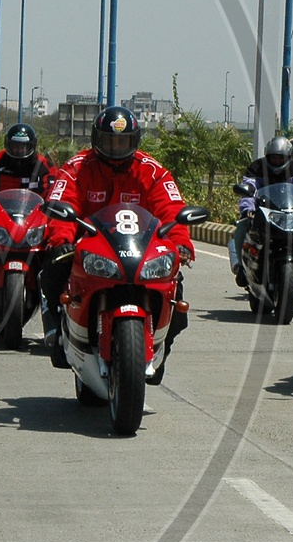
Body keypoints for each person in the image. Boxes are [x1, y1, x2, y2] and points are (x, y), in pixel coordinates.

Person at [39, 106, 196, 375]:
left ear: (134, 141)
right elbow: (60, 202)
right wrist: (61, 239)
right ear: (96, 140)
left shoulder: (153, 171)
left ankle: (162, 350)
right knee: (52, 268)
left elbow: (172, 209)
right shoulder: (76, 168)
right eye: (110, 141)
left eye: (122, 141)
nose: (116, 147)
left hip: (139, 251)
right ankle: (56, 329)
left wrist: (180, 243)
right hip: (91, 250)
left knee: (176, 291)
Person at [228, 136, 293, 288]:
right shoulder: (256, 167)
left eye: (280, 158)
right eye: (274, 158)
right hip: (263, 212)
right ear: (267, 156)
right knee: (241, 229)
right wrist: (248, 210)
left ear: (289, 157)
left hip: (292, 213)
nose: (277, 161)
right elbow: (249, 190)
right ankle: (242, 269)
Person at [0, 123, 54, 197]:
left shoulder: (46, 168)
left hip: (34, 208)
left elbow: (51, 197)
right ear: (7, 144)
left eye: (23, 147)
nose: (19, 150)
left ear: (32, 145)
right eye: (15, 146)